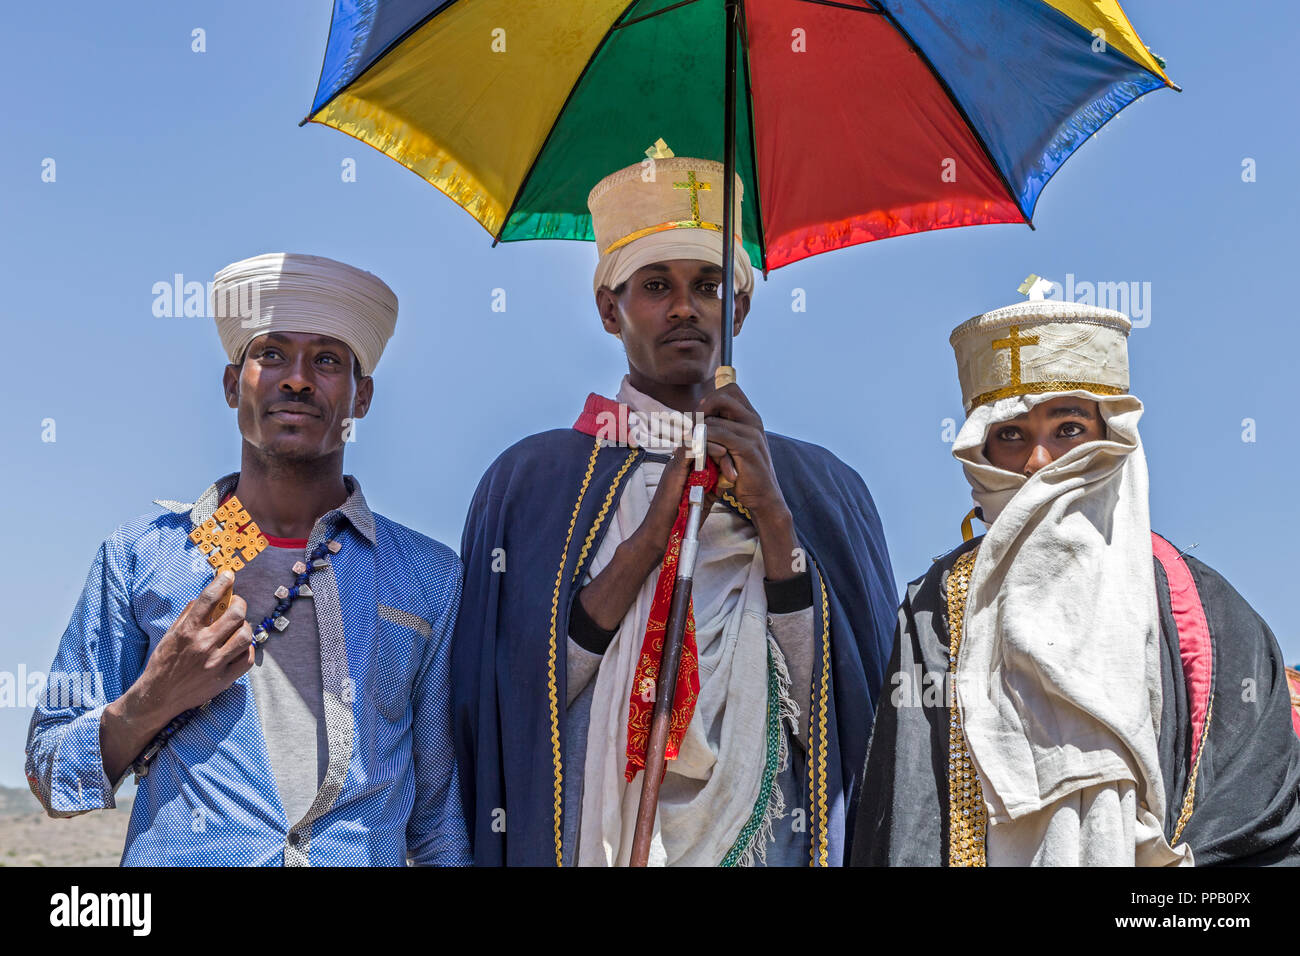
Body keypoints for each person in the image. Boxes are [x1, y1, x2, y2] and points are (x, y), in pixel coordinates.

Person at [452, 142, 897, 866]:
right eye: (655, 285)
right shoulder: (533, 482)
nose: (686, 307)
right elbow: (508, 712)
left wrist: (777, 524)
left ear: (742, 306)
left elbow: (854, 720)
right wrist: (648, 537)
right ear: (609, 308)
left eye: (711, 283)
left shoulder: (825, 487)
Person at [25, 252, 470, 866]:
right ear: (233, 384)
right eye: (272, 354)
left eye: (327, 360)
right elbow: (50, 774)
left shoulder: (428, 578)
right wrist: (152, 699)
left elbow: (440, 816)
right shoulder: (142, 558)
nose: (297, 379)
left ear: (361, 397)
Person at [852, 296, 1300, 866]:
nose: (1040, 461)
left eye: (1068, 428)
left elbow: (1262, 812)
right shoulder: (935, 606)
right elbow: (909, 812)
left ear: (1113, 436)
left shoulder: (1209, 613)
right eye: (1011, 435)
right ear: (980, 450)